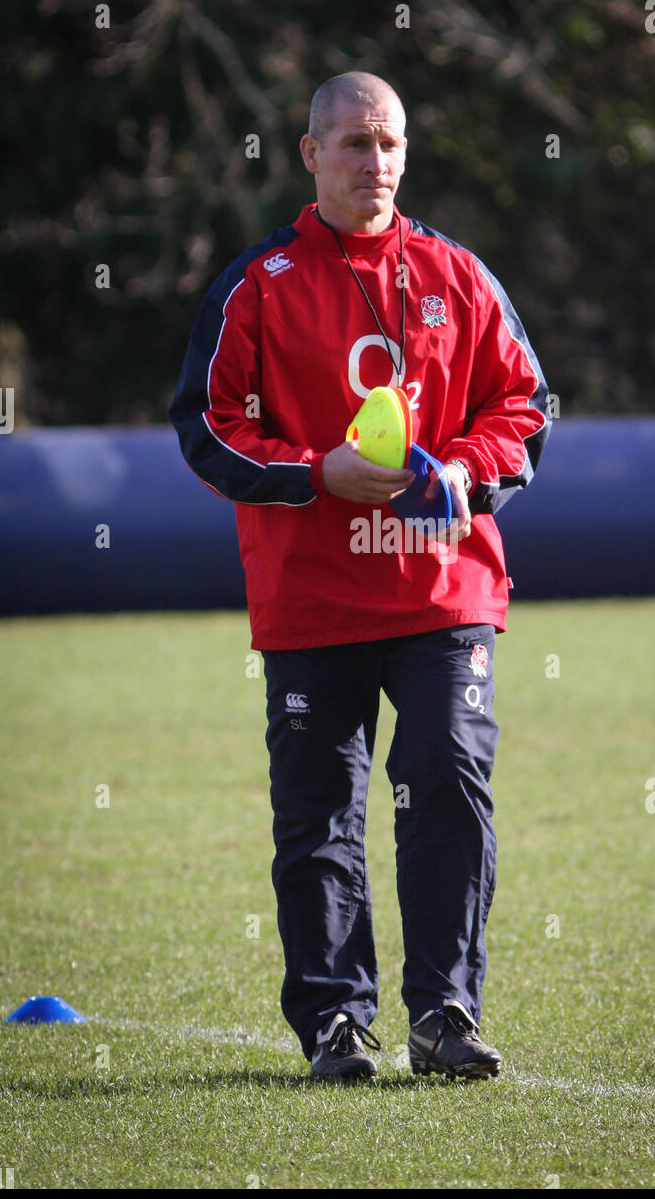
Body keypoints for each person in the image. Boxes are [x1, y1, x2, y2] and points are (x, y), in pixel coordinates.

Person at [169, 71, 550, 1081]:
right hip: (311, 599)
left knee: (448, 780)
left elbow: (525, 407)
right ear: (307, 154)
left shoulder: (459, 275)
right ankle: (337, 1022)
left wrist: (464, 469)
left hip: (442, 591)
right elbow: (206, 424)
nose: (371, 162)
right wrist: (314, 472)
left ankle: (444, 1012)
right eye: (349, 143)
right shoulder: (255, 286)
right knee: (319, 815)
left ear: (405, 153)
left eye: (386, 143)